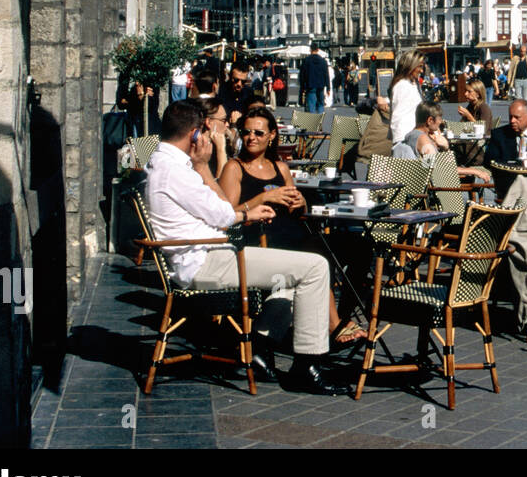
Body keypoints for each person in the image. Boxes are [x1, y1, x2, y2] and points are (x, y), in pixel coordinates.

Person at [145, 100, 350, 395]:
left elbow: (219, 210)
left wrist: (206, 171)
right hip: (207, 259)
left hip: (207, 253)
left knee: (299, 276)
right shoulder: (174, 170)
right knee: (316, 266)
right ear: (193, 135)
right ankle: (307, 365)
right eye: (203, 132)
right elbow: (222, 214)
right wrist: (248, 213)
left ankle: (259, 345)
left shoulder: (165, 164)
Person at [218, 108, 364, 346]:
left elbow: (299, 209)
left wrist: (301, 202)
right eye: (246, 132)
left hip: (293, 233)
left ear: (272, 135)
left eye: (258, 132)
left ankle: (343, 314)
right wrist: (264, 198)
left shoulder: (280, 168)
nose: (251, 137)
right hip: (261, 239)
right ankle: (334, 324)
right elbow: (227, 214)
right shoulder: (235, 167)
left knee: (361, 247)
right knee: (317, 251)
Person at [388, 49, 426, 150]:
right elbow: (397, 116)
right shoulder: (402, 86)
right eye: (420, 67)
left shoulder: (413, 84)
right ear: (411, 65)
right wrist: (400, 143)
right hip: (406, 139)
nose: (422, 71)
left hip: (414, 136)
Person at [298, 43, 330, 113]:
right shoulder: (323, 61)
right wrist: (328, 87)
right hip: (321, 85)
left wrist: (302, 87)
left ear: (310, 50)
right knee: (321, 104)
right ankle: (320, 119)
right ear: (318, 50)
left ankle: (313, 121)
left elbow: (302, 75)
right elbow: (326, 75)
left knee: (311, 104)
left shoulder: (306, 60)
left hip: (310, 85)